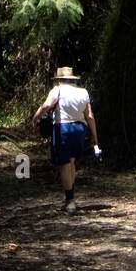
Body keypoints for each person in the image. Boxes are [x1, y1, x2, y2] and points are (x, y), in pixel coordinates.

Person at [33, 65, 100, 213]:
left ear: (59, 79)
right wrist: (94, 136)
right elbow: (89, 115)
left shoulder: (57, 90)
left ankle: (70, 200)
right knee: (71, 161)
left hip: (62, 128)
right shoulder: (83, 92)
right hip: (80, 129)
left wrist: (36, 116)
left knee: (64, 164)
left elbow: (47, 105)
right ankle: (71, 196)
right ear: (72, 79)